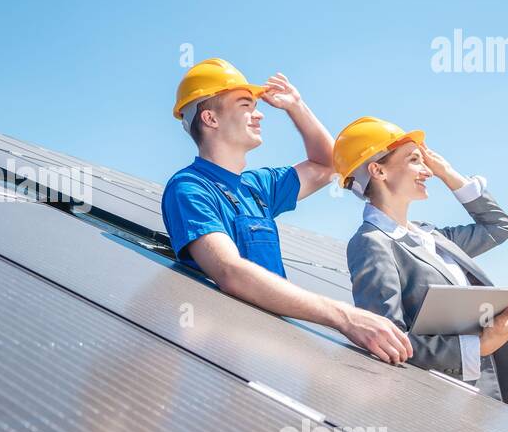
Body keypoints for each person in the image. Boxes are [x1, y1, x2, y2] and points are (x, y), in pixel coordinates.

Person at [161, 59, 413, 364]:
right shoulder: (189, 188)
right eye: (246, 105)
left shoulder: (258, 186)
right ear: (211, 119)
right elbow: (230, 272)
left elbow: (327, 165)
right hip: (225, 356)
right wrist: (343, 316)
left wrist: (297, 107)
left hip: (269, 345)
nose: (259, 113)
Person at [334, 117, 508, 409]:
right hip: (441, 405)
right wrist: (479, 346)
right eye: (415, 160)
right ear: (378, 170)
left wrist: (448, 173)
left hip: (482, 396)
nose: (427, 170)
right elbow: (387, 340)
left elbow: (498, 226)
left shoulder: (432, 235)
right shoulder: (372, 243)